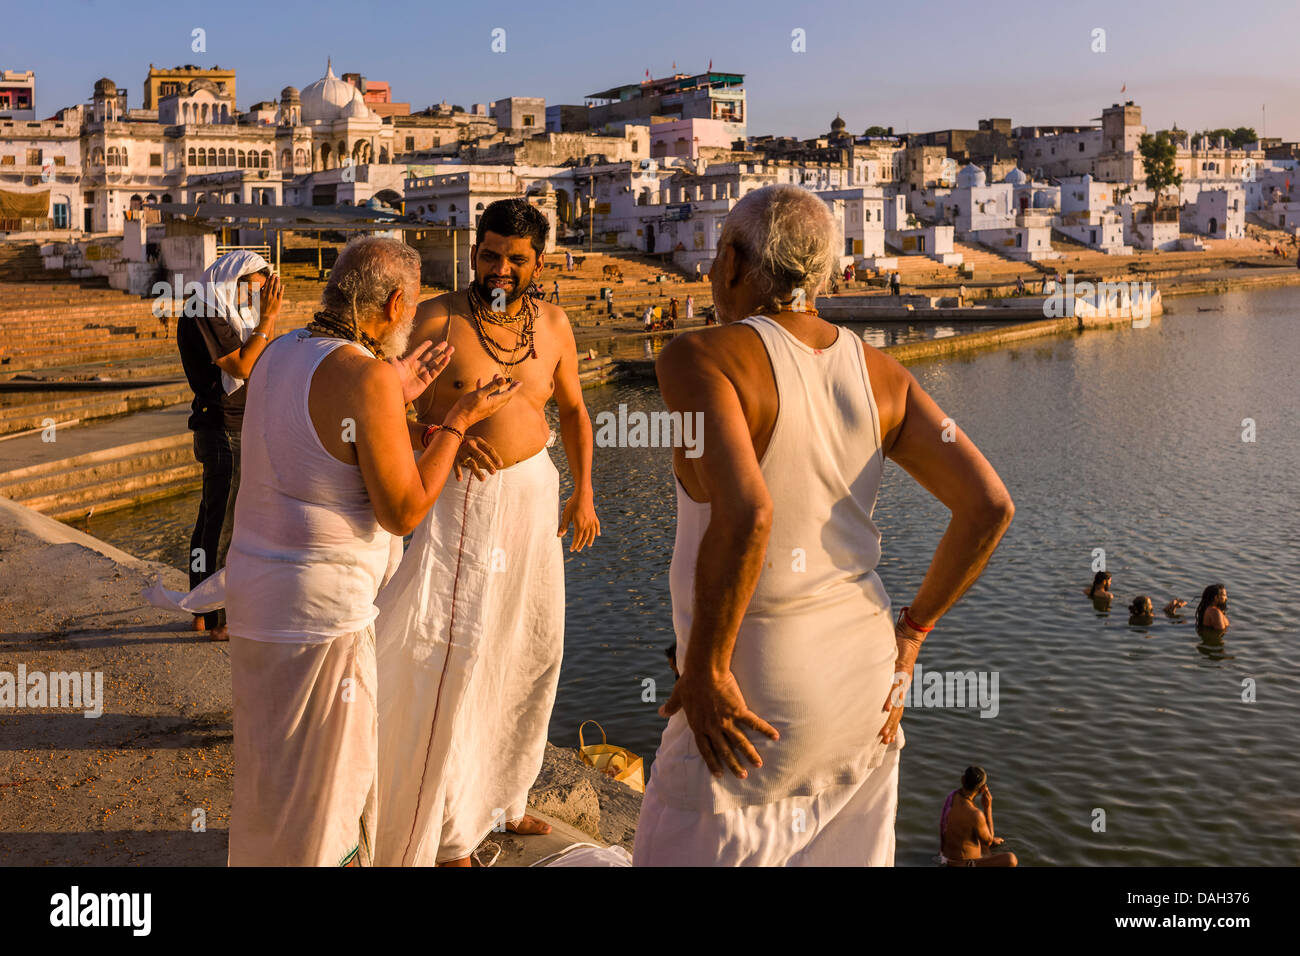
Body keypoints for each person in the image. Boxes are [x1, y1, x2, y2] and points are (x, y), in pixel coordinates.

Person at [632, 184, 1014, 866]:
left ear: (731, 264)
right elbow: (988, 505)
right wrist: (914, 632)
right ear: (823, 274)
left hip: (755, 691)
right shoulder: (883, 376)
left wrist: (707, 667)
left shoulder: (700, 358)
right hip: (866, 685)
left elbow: (749, 511)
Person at [224, 236, 520, 866]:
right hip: (321, 616)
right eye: (408, 314)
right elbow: (404, 509)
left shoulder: (278, 352)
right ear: (392, 304)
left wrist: (398, 399)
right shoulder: (365, 377)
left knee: (271, 780)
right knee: (331, 797)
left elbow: (326, 438)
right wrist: (458, 421)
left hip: (253, 599)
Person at [375, 198, 601, 867]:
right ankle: (445, 828)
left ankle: (506, 797)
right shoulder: (437, 318)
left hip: (536, 498)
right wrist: (431, 431)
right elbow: (378, 402)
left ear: (539, 262)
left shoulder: (555, 325)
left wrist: (584, 491)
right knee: (460, 657)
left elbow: (577, 410)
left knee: (531, 648)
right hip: (467, 503)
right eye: (489, 254)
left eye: (515, 258)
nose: (499, 268)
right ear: (474, 252)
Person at [175, 251, 282, 642]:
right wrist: (268, 320)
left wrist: (263, 320)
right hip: (222, 428)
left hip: (228, 424)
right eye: (251, 291)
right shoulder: (204, 308)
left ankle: (201, 611)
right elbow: (242, 365)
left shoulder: (217, 307)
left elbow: (259, 356)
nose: (252, 301)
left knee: (210, 519)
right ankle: (220, 618)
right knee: (223, 525)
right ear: (233, 278)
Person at [938, 767, 1017, 867]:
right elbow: (988, 841)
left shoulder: (953, 797)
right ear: (982, 789)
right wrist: (988, 808)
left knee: (984, 842)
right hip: (963, 864)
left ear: (962, 779)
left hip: (945, 857)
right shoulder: (975, 815)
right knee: (1011, 859)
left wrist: (990, 840)